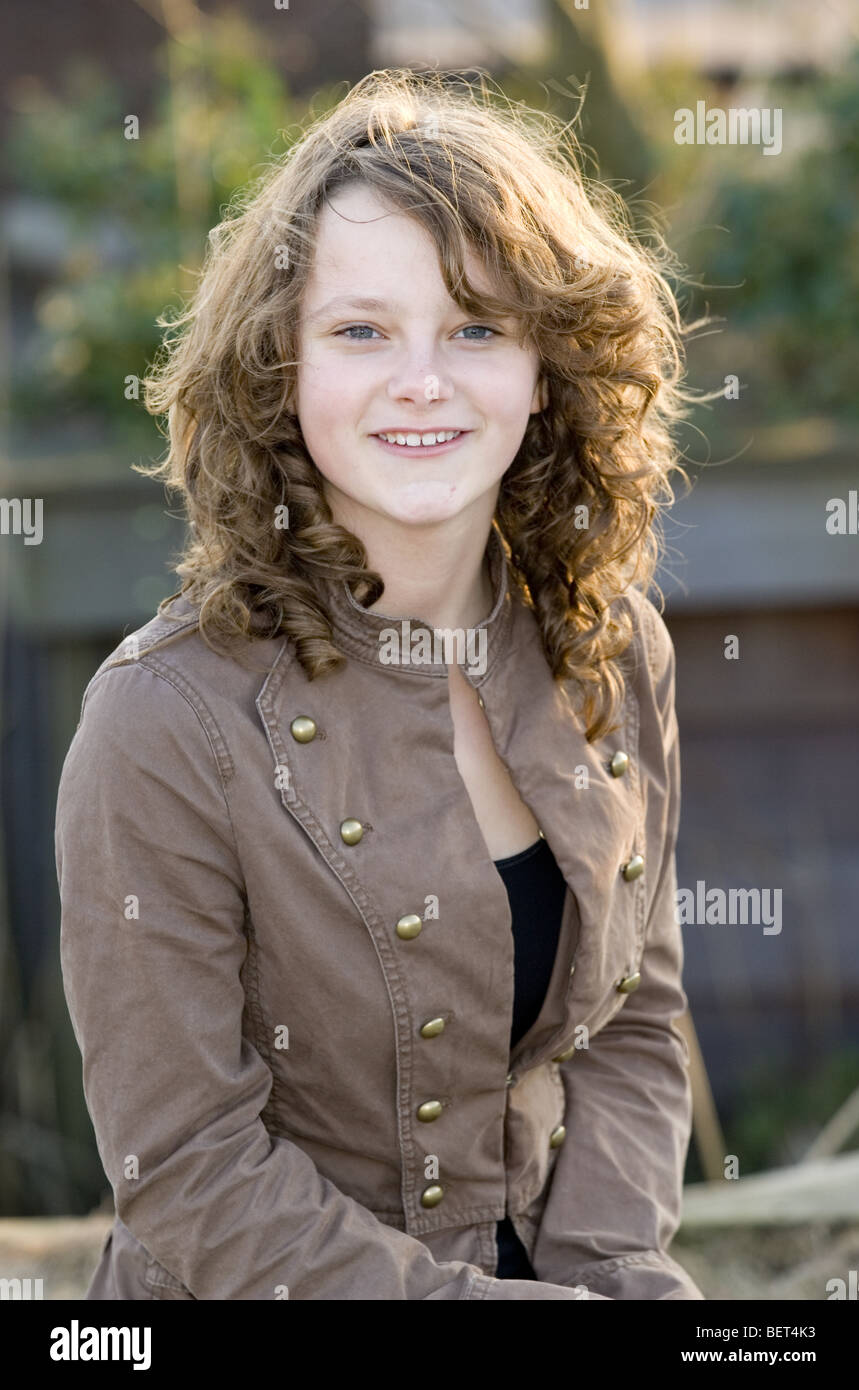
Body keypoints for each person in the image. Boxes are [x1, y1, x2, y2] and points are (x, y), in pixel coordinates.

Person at [56, 67, 708, 1300]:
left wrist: (613, 1278)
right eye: (361, 331)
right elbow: (188, 1163)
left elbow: (628, 1021)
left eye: (475, 327)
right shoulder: (160, 723)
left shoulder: (609, 647)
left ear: (543, 366)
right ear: (279, 370)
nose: (424, 380)